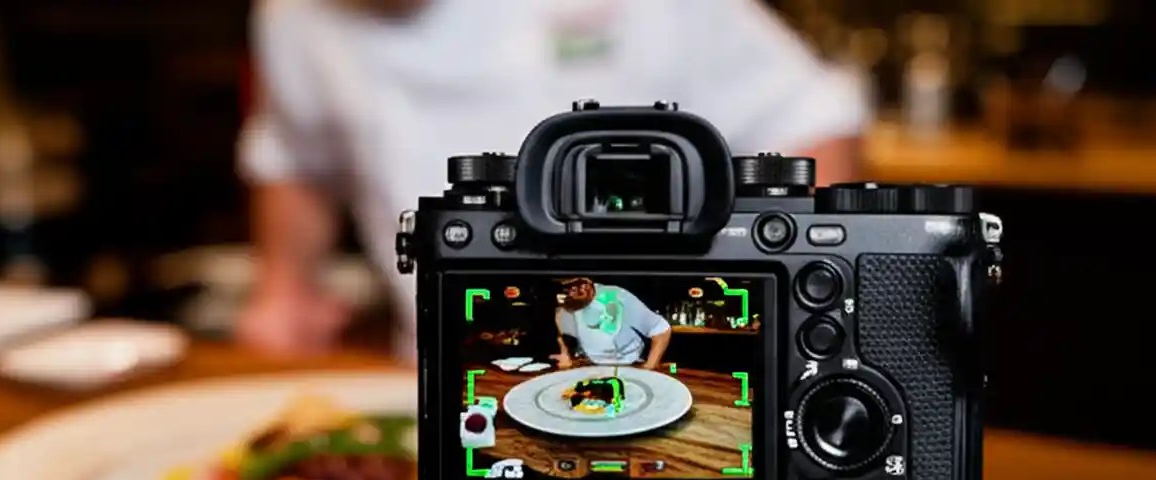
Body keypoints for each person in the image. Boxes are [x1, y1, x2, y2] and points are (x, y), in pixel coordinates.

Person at [234, 0, 871, 361]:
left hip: (663, 360)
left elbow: (810, 120)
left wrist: (801, 317)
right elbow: (296, 156)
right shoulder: (294, 15)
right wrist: (283, 289)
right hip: (435, 369)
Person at [553, 277, 670, 369]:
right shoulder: (568, 304)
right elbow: (560, 330)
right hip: (590, 367)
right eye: (564, 289)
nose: (567, 295)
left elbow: (660, 330)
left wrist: (648, 368)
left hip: (629, 366)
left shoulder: (617, 296)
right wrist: (565, 354)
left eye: (572, 289)